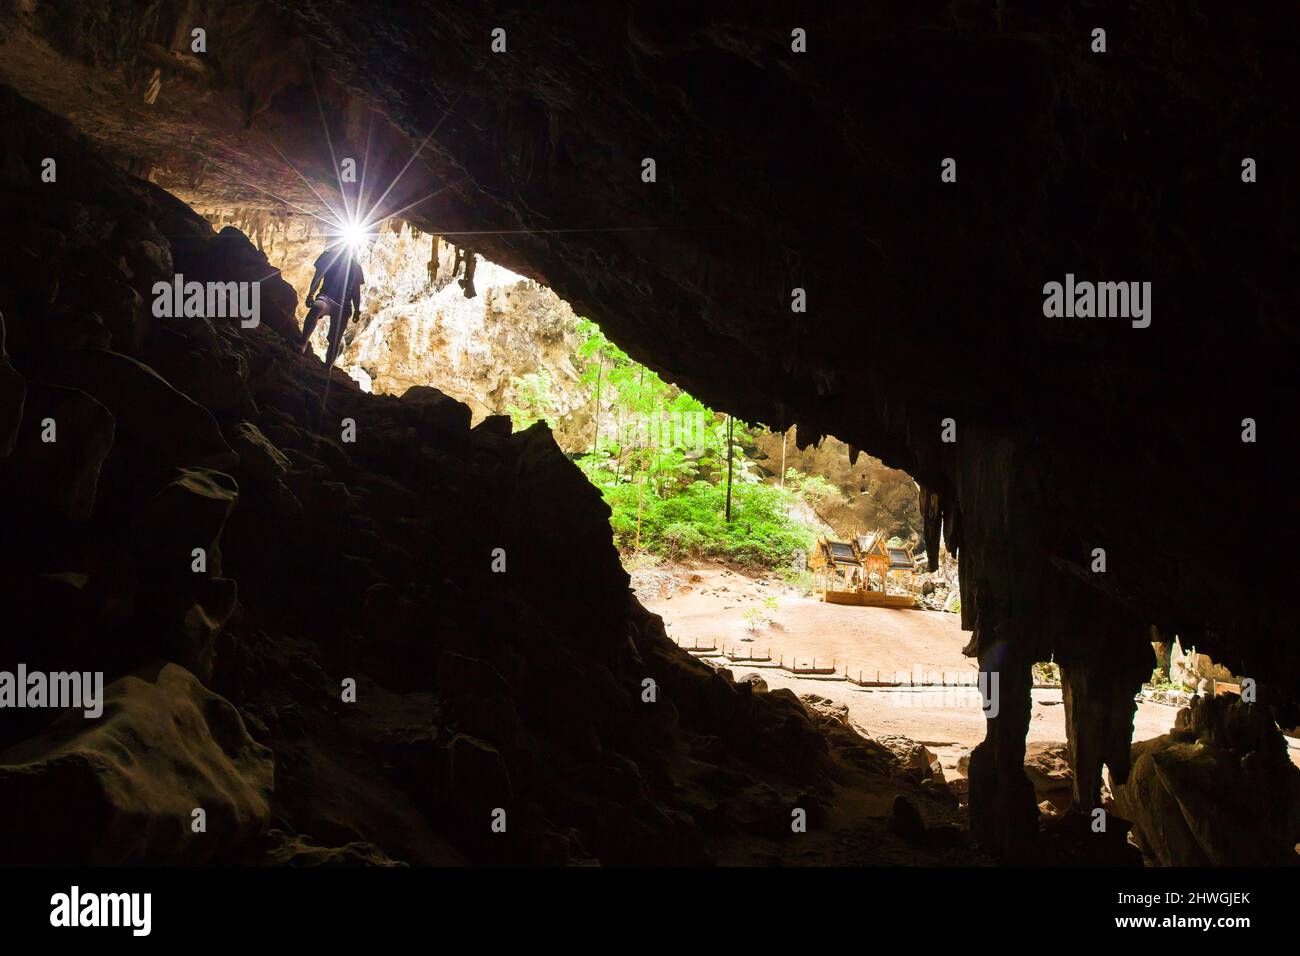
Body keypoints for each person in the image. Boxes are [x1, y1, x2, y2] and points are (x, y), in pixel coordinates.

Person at [300, 244, 364, 368]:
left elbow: (356, 291)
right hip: (326, 297)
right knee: (317, 308)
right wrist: (310, 295)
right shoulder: (328, 256)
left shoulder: (355, 267)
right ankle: (302, 344)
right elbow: (318, 277)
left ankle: (328, 367)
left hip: (344, 305)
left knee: (335, 338)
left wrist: (357, 309)